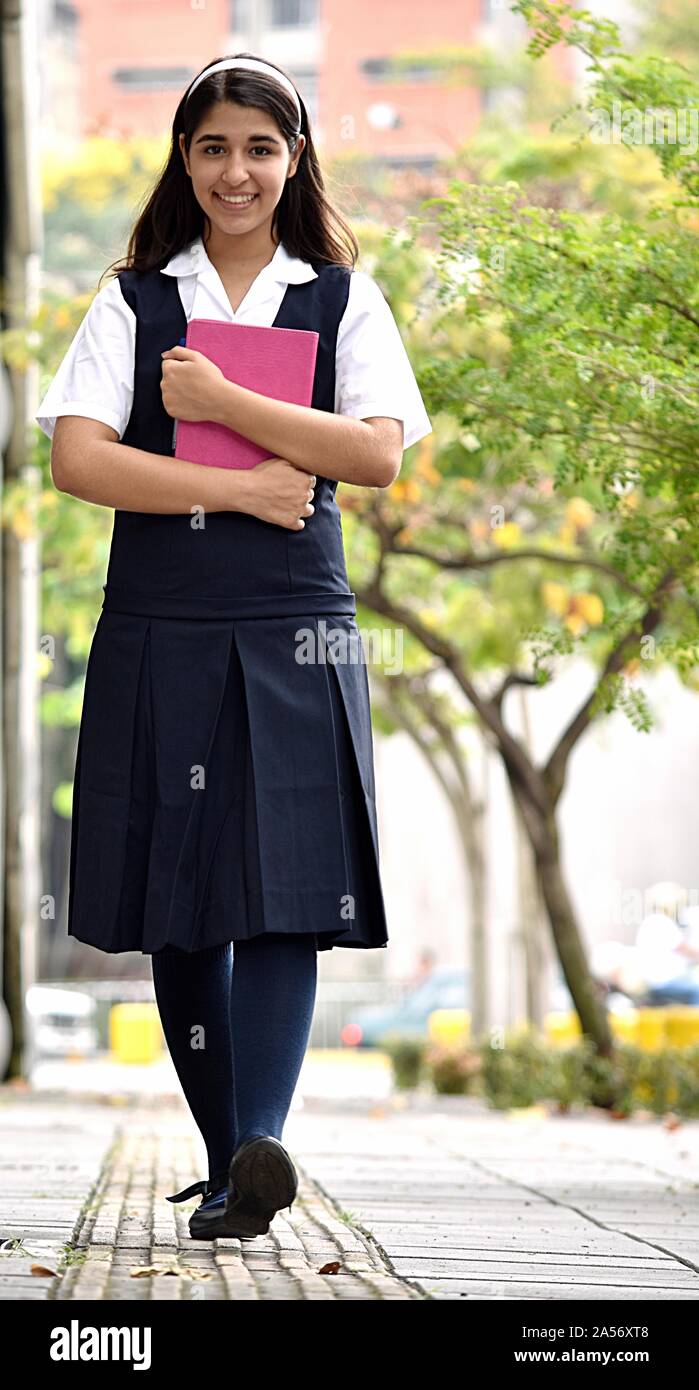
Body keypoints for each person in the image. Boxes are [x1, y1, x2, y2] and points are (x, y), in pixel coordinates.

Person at [36, 52, 432, 1241]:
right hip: (161, 623)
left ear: (294, 157)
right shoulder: (134, 298)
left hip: (295, 625)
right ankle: (233, 1160)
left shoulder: (342, 296)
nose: (237, 170)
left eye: (261, 148)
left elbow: (374, 456)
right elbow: (77, 460)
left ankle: (259, 1139)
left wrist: (232, 415)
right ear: (186, 160)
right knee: (185, 903)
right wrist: (251, 490)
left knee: (284, 895)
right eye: (213, 147)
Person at [634, 882, 699, 1006]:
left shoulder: (652, 921)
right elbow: (687, 950)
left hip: (659, 980)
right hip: (664, 981)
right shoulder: (661, 922)